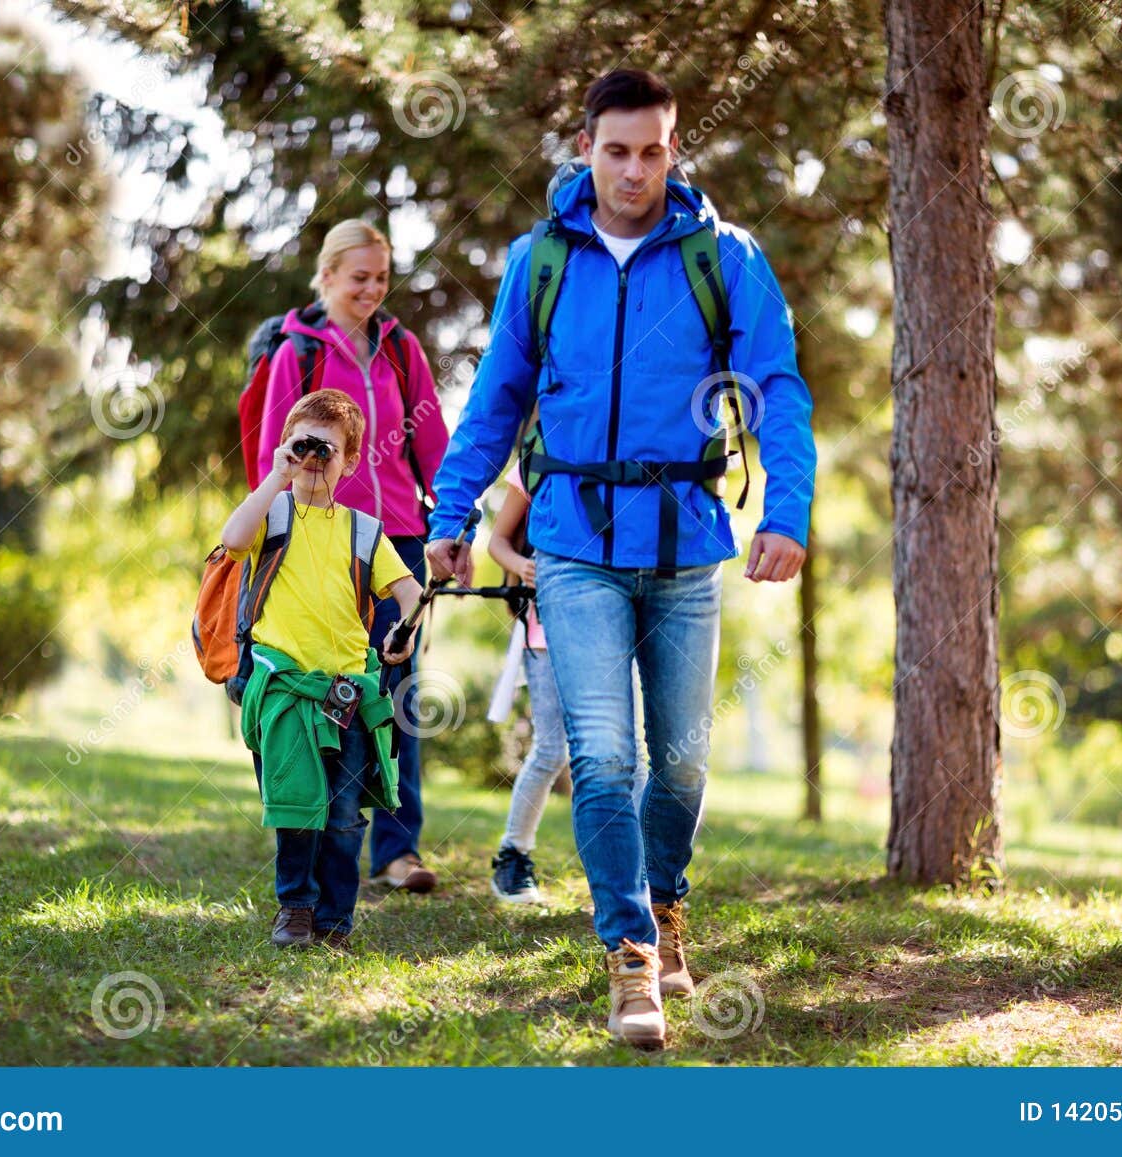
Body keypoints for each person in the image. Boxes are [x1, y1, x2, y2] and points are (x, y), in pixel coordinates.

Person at [425, 70, 816, 1049]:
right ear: (585, 148)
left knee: (680, 762)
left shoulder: (723, 258)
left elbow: (777, 385)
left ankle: (668, 896)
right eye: (616, 150)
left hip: (686, 542)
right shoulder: (542, 259)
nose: (634, 169)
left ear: (672, 149)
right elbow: (497, 396)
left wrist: (786, 507)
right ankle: (630, 955)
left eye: (652, 150)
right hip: (572, 540)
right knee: (602, 756)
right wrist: (452, 506)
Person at [256, 219, 450, 894]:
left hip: (395, 535)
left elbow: (434, 443)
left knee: (395, 691)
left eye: (382, 278)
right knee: (321, 689)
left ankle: (398, 850)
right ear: (328, 275)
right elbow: (271, 457)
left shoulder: (401, 349)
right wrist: (276, 535)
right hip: (320, 539)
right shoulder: (297, 355)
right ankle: (315, 840)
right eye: (359, 277)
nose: (372, 290)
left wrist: (450, 525)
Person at [223, 389, 422, 949]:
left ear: (351, 462)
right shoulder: (272, 512)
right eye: (301, 445)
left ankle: (336, 919)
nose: (312, 458)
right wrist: (275, 477)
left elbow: (407, 589)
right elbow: (233, 540)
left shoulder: (364, 530)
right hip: (284, 688)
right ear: (285, 447)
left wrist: (404, 624)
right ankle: (295, 908)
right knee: (296, 805)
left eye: (326, 450)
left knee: (342, 817)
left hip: (347, 693)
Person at [485, 466, 565, 905]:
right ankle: (513, 854)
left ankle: (639, 869)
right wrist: (523, 568)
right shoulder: (534, 459)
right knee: (552, 749)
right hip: (544, 631)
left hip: (618, 629)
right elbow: (499, 541)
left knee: (624, 752)